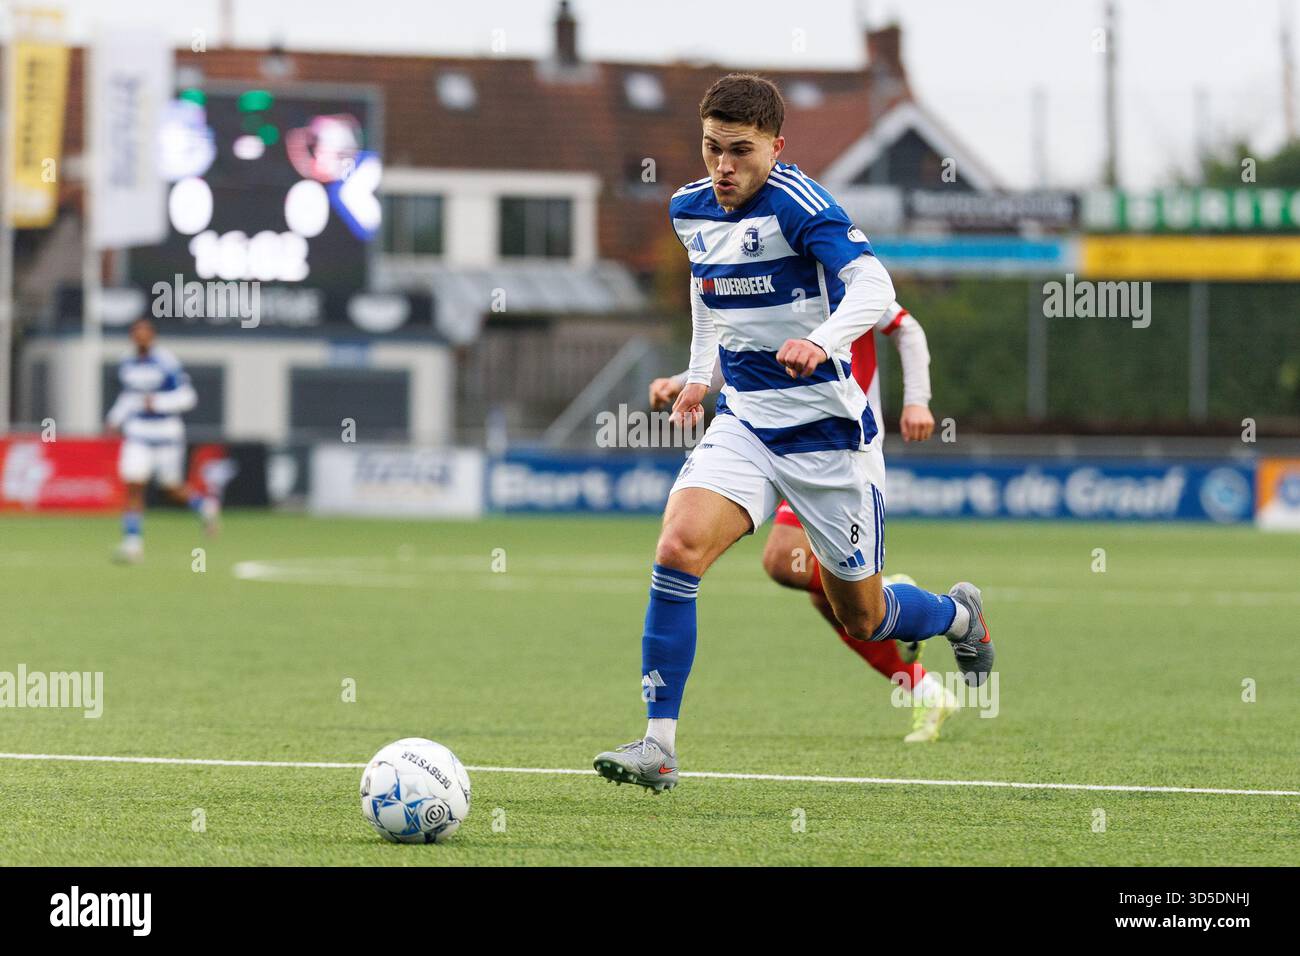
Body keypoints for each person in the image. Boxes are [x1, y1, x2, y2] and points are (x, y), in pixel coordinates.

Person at [593, 74, 992, 792]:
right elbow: (706, 289)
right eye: (712, 148)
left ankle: (959, 616)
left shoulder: (804, 206)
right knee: (679, 545)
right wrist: (698, 377)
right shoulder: (691, 208)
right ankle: (659, 746)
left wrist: (826, 340)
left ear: (776, 147)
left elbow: (875, 289)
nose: (723, 167)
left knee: (865, 618)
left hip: (829, 438)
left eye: (740, 152)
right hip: (746, 422)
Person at [648, 300, 963, 743]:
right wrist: (686, 382)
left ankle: (898, 601)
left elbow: (906, 328)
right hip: (764, 432)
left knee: (785, 563)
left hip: (831, 442)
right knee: (829, 599)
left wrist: (917, 403)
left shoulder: (838, 270)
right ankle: (924, 686)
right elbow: (745, 356)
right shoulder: (767, 273)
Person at [105, 318, 219, 563]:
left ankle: (205, 507)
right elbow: (129, 396)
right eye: (136, 333)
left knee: (171, 489)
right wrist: (115, 418)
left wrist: (157, 402)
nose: (140, 338)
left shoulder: (166, 363)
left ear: (152, 336)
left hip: (166, 434)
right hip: (138, 433)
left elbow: (188, 397)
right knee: (134, 484)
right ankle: (133, 544)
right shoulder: (127, 363)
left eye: (144, 333)